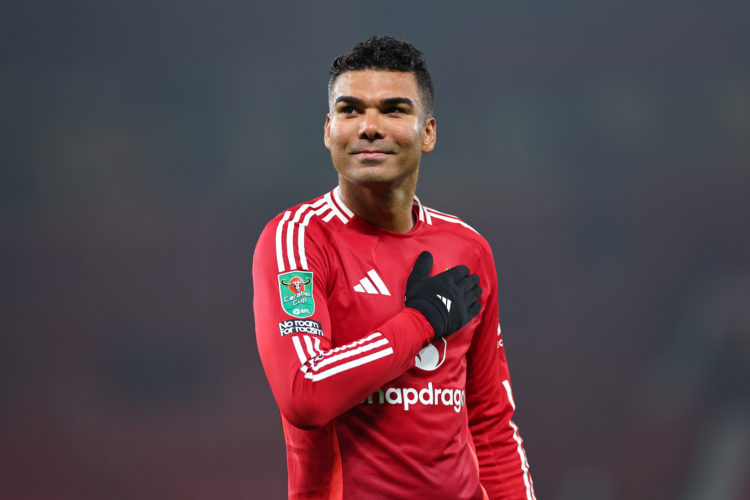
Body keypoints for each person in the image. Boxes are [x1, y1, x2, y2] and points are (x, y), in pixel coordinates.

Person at [252, 36, 536, 500]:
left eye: (394, 110)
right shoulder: (297, 240)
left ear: (427, 133)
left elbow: (490, 423)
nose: (369, 127)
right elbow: (305, 394)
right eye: (350, 110)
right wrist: (421, 322)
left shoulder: (467, 248)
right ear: (328, 130)